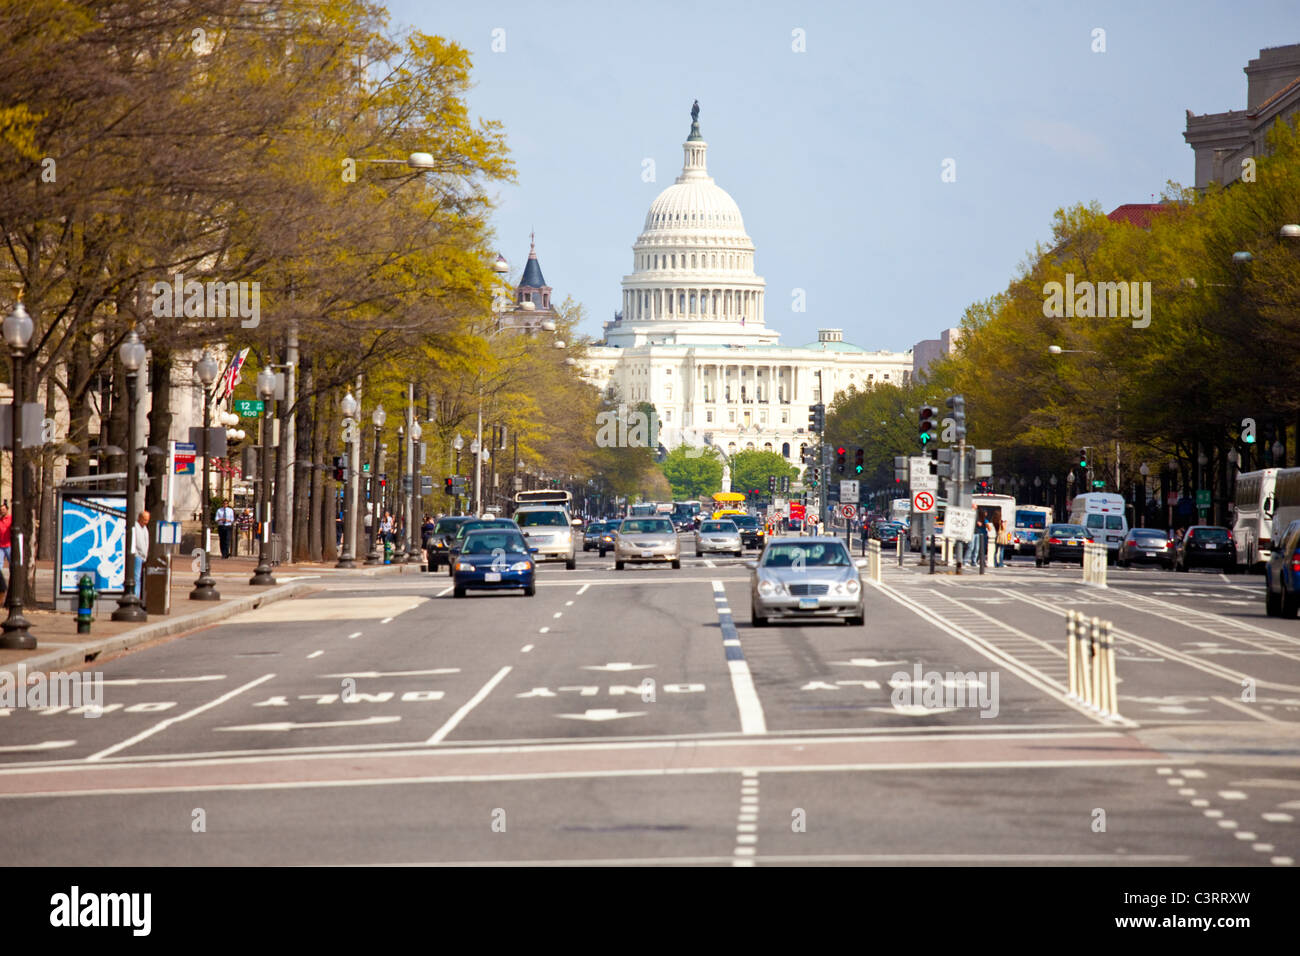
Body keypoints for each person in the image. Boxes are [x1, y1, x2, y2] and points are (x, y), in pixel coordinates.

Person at [131, 510, 150, 598]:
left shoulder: (144, 528)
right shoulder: (136, 527)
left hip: (142, 556)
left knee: (138, 578)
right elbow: (140, 544)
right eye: (145, 520)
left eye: (147, 520)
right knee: (137, 577)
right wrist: (144, 554)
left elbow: (146, 543)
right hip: (137, 555)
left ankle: (137, 595)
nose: (146, 522)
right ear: (139, 518)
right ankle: (136, 596)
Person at [0, 503, 10, 593]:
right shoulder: (0, 520)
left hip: (9, 545)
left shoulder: (10, 519)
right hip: (0, 546)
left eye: (3, 509)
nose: (2, 511)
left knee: (12, 564)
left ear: (7, 509)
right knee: (0, 564)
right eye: (1, 510)